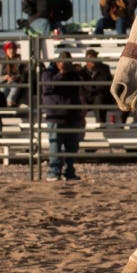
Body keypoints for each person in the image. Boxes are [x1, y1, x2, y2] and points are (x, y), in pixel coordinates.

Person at [42, 51, 84, 182]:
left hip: (72, 114)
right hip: (55, 114)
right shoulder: (48, 73)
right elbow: (49, 87)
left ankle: (69, 171)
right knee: (55, 145)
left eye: (67, 62)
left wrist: (80, 71)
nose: (64, 64)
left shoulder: (74, 74)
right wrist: (61, 74)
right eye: (62, 62)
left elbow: (86, 85)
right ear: (57, 62)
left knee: (72, 146)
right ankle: (54, 171)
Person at [79, 49, 113, 124]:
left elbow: (103, 84)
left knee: (99, 99)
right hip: (87, 96)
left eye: (94, 57)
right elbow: (82, 86)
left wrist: (91, 88)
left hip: (100, 95)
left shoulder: (104, 68)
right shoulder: (82, 71)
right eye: (90, 57)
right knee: (80, 100)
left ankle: (100, 124)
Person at [0, 41, 27, 107]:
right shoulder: (2, 61)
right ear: (6, 50)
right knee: (3, 92)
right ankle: (6, 104)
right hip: (5, 83)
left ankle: (10, 103)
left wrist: (15, 77)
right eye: (9, 49)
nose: (12, 51)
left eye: (14, 49)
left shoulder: (20, 60)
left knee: (11, 96)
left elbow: (24, 76)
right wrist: (5, 77)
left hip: (16, 83)